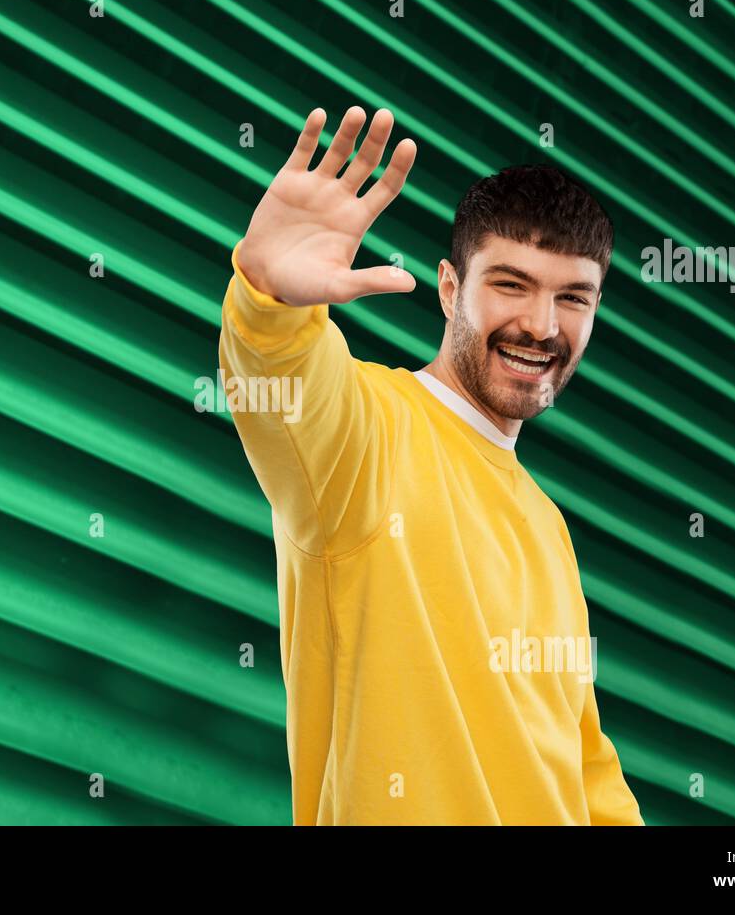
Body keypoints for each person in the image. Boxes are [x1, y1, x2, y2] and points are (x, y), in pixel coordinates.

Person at [218, 105, 644, 825]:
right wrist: (273, 300)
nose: (542, 325)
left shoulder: (548, 525)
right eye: (510, 284)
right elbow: (283, 378)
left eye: (573, 297)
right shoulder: (366, 432)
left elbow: (583, 762)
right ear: (449, 288)